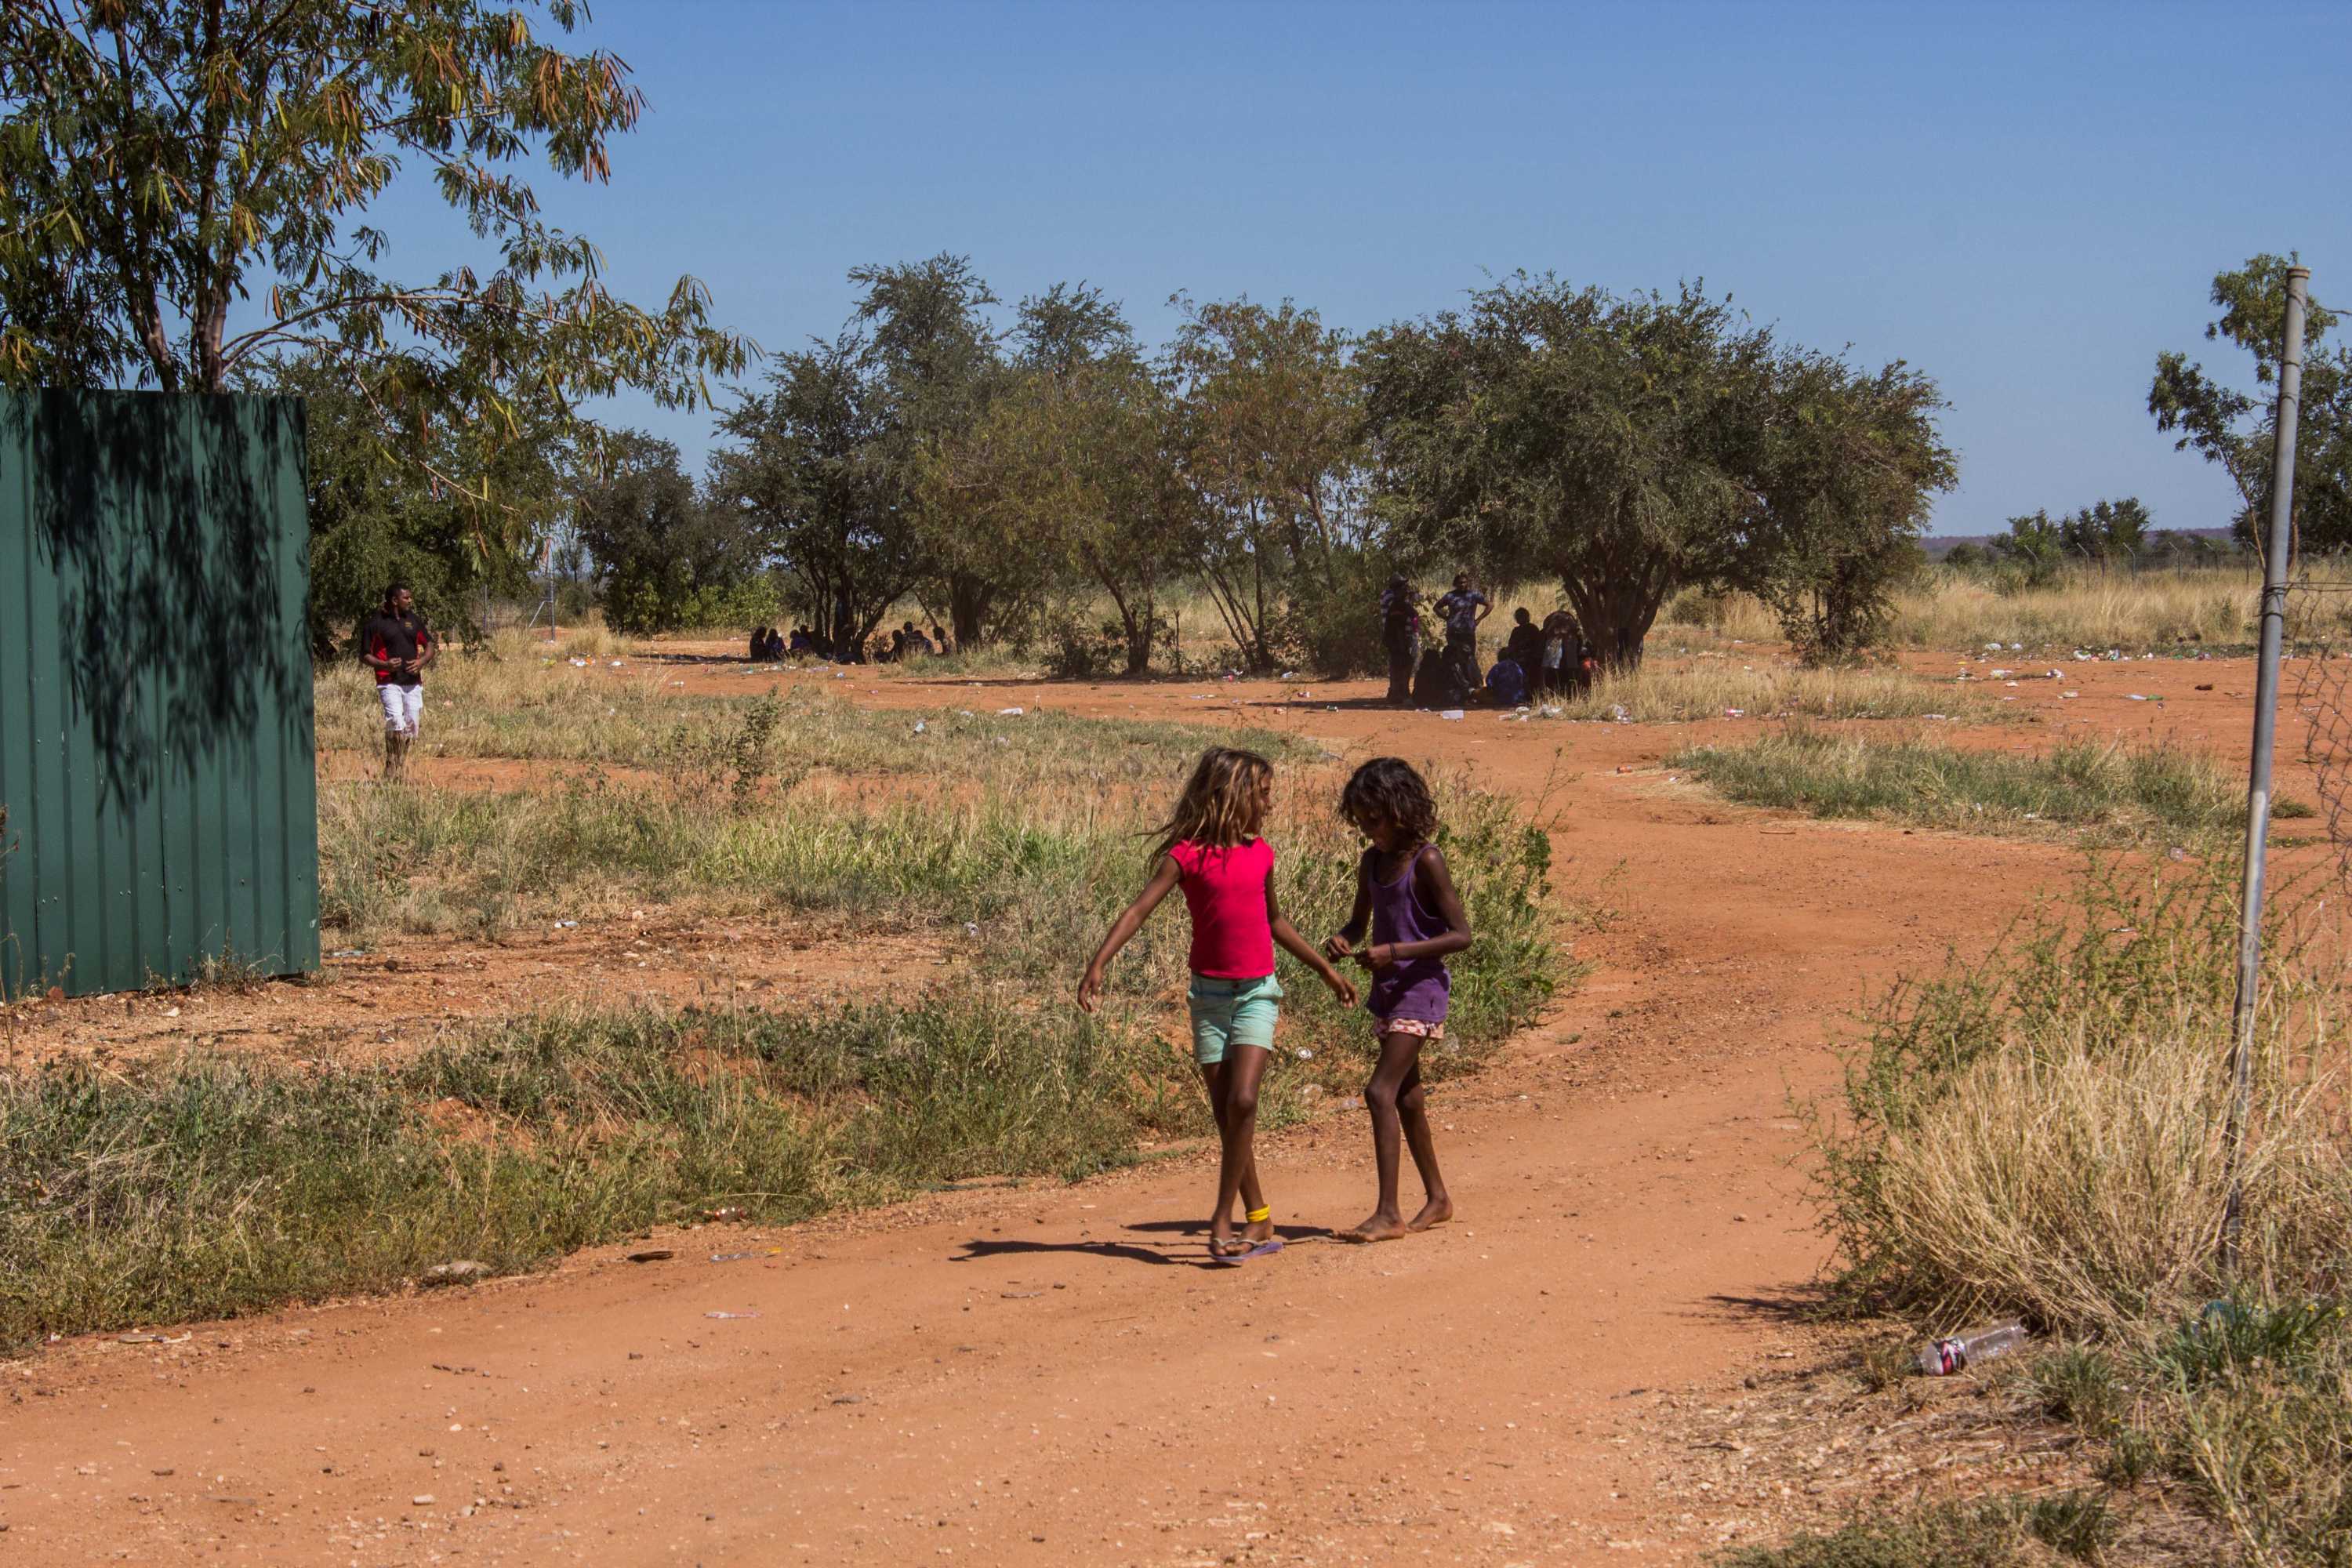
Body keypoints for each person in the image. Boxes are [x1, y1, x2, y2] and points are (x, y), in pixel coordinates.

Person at [1079, 747, 1358, 1263]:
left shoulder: (1262, 854)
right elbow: (1138, 910)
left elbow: (1276, 923)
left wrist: (1325, 970)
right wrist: (1099, 962)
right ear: (1235, 795)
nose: (1270, 804)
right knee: (1228, 1115)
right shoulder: (1185, 856)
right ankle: (1259, 1218)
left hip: (1257, 992)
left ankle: (1222, 1214)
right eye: (1264, 793)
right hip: (1208, 997)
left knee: (1244, 1101)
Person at [1323, 757, 1470, 1243]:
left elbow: (1461, 935)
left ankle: (1389, 1213)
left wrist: (1397, 952)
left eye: (1375, 820)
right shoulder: (1372, 862)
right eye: (1362, 822)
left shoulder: (1427, 860)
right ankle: (1439, 1198)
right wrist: (1343, 941)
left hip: (1421, 991)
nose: (1369, 831)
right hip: (1388, 993)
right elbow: (1357, 923)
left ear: (1401, 809)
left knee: (1379, 1092)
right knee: (1407, 1097)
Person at [358, 583, 434, 781]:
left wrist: (422, 662)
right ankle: (391, 765)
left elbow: (429, 646)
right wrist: (384, 665)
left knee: (411, 727)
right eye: (406, 598)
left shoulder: (414, 621)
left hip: (413, 683)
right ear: (394, 600)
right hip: (388, 682)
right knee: (395, 723)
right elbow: (364, 655)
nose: (410, 601)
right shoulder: (375, 624)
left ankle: (399, 763)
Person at [1433, 572, 1489, 701]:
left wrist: (1478, 619)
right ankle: (1459, 687)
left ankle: (1473, 687)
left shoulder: (1473, 595)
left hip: (1468, 632)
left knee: (1469, 658)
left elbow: (1489, 605)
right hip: (1453, 632)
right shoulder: (1450, 596)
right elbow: (1436, 607)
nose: (1463, 585)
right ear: (1455, 584)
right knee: (1455, 659)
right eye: (1460, 583)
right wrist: (1447, 618)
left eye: (1464, 582)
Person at [1378, 575, 1419, 707]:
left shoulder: (1396, 600)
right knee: (1402, 665)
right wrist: (1411, 634)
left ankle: (1396, 692)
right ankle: (1402, 693)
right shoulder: (1396, 602)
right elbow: (1403, 622)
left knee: (1397, 665)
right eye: (1403, 587)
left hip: (1395, 638)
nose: (1406, 589)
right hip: (1398, 639)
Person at [1539, 608, 1583, 698]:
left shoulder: (1558, 637)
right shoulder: (1569, 635)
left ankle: (1549, 692)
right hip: (1559, 639)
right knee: (1569, 667)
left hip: (1557, 639)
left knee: (1552, 667)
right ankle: (1572, 692)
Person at [1503, 608, 1544, 699]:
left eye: (1521, 616)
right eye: (1518, 616)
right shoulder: (1517, 631)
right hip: (1520, 659)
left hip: (1531, 658)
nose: (1519, 618)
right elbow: (1511, 646)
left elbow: (1538, 645)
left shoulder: (1532, 629)